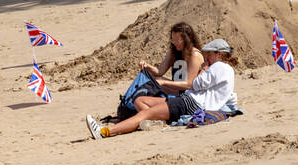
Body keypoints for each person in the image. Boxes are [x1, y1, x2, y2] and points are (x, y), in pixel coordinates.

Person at [87, 38, 236, 139]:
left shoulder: (218, 66)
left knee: (144, 114)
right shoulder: (229, 71)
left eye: (209, 53)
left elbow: (196, 84)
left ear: (219, 54)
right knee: (141, 101)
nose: (207, 57)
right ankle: (158, 121)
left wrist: (203, 70)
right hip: (192, 103)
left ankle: (104, 132)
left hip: (191, 103)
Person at [140, 21, 204, 85]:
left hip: (189, 92)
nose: (175, 43)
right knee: (149, 79)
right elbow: (159, 72)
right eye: (173, 40)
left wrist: (164, 82)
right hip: (176, 90)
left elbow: (189, 84)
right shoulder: (173, 52)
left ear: (187, 40)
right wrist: (147, 66)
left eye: (178, 40)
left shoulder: (195, 55)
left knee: (155, 82)